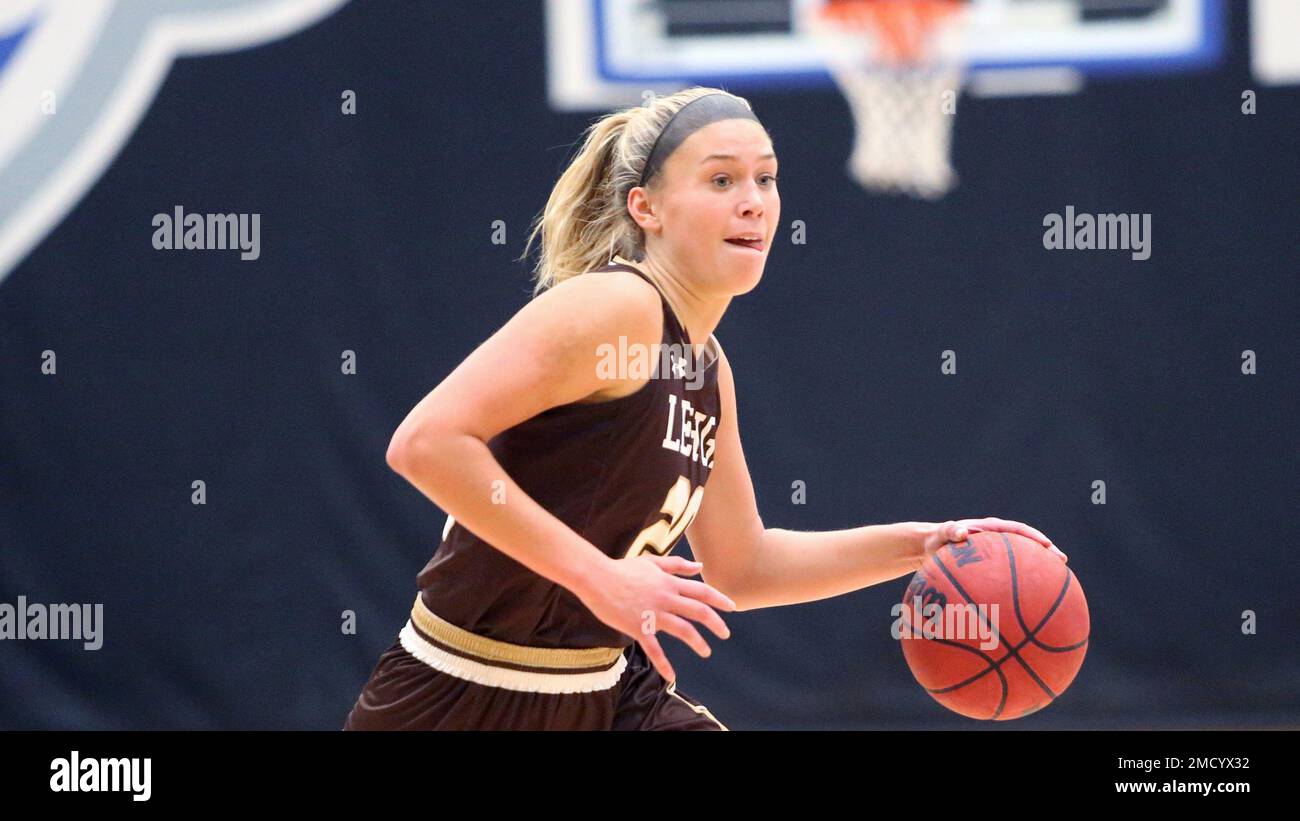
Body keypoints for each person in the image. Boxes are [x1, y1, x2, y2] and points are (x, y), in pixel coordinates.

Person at [343, 86, 1068, 731]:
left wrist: (922, 544)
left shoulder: (706, 367)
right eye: (721, 179)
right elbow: (427, 441)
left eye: (766, 178)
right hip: (462, 693)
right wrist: (601, 576)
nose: (753, 199)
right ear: (645, 207)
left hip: (604, 693)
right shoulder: (615, 308)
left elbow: (742, 565)